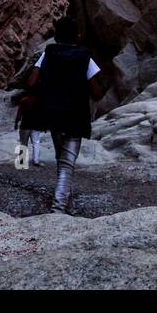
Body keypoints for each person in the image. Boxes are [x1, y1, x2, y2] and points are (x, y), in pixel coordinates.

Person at [28, 15, 104, 214]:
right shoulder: (84, 56)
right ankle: (58, 208)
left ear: (56, 36)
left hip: (53, 114)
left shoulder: (48, 53)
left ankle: (65, 199)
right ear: (77, 36)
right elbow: (97, 92)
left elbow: (31, 83)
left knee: (61, 158)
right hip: (76, 115)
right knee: (67, 163)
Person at [14, 88, 41, 167]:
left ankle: (22, 161)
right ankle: (36, 160)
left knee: (23, 143)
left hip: (25, 124)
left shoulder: (24, 101)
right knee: (36, 142)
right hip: (36, 124)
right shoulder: (39, 101)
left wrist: (16, 122)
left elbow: (19, 113)